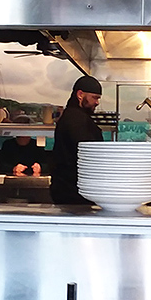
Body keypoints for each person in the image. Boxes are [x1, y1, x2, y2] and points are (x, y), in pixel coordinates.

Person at [50, 75, 103, 205]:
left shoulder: (72, 116)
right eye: (94, 97)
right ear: (80, 94)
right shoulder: (76, 119)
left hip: (68, 191)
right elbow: (89, 154)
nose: (97, 102)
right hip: (74, 193)